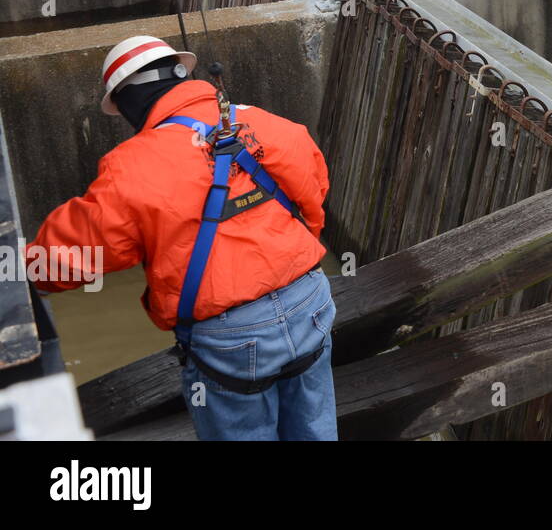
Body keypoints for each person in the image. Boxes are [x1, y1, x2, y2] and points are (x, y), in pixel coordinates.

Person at [26, 35, 336, 440]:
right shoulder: (267, 123)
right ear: (181, 74)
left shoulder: (130, 168)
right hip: (310, 302)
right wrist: (291, 262)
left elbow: (67, 258)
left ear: (127, 103)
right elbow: (312, 198)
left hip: (230, 336)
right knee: (315, 429)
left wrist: (23, 265)